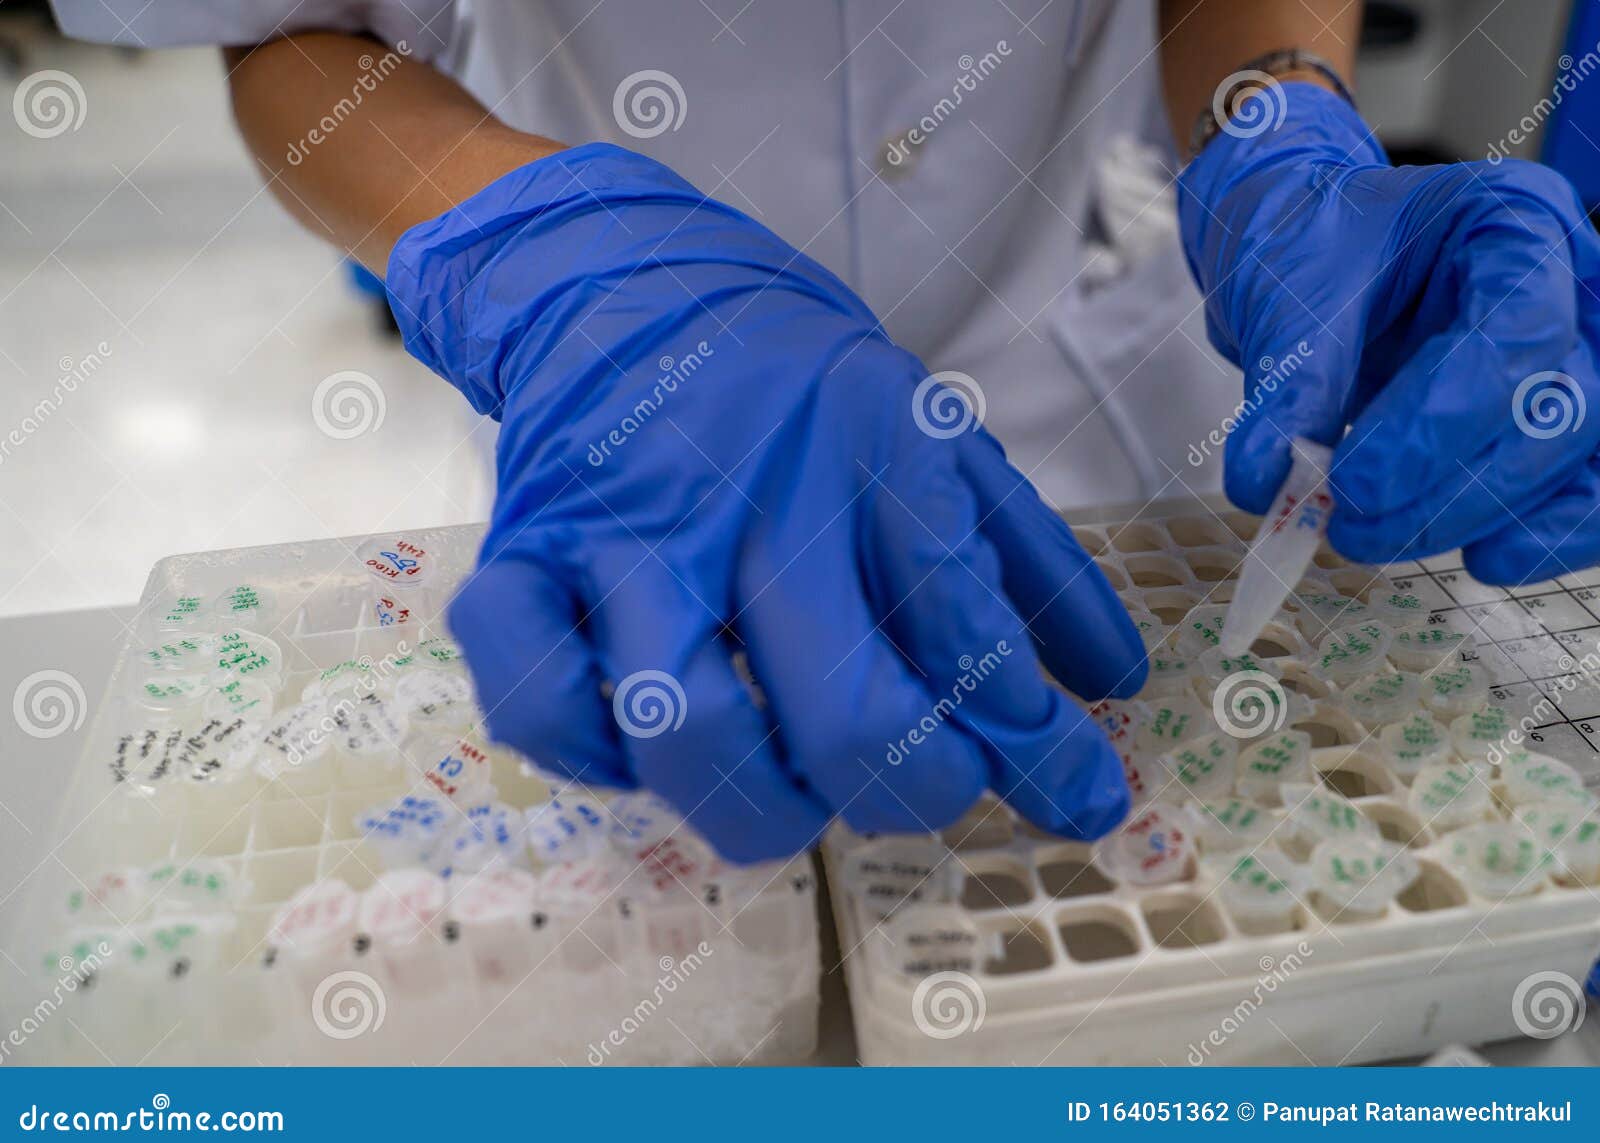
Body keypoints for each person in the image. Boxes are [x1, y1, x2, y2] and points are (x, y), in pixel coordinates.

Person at [52, 1, 1600, 862]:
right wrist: (557, 259)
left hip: (1104, 440)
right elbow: (272, 25)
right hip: (660, 437)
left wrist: (1280, 124)